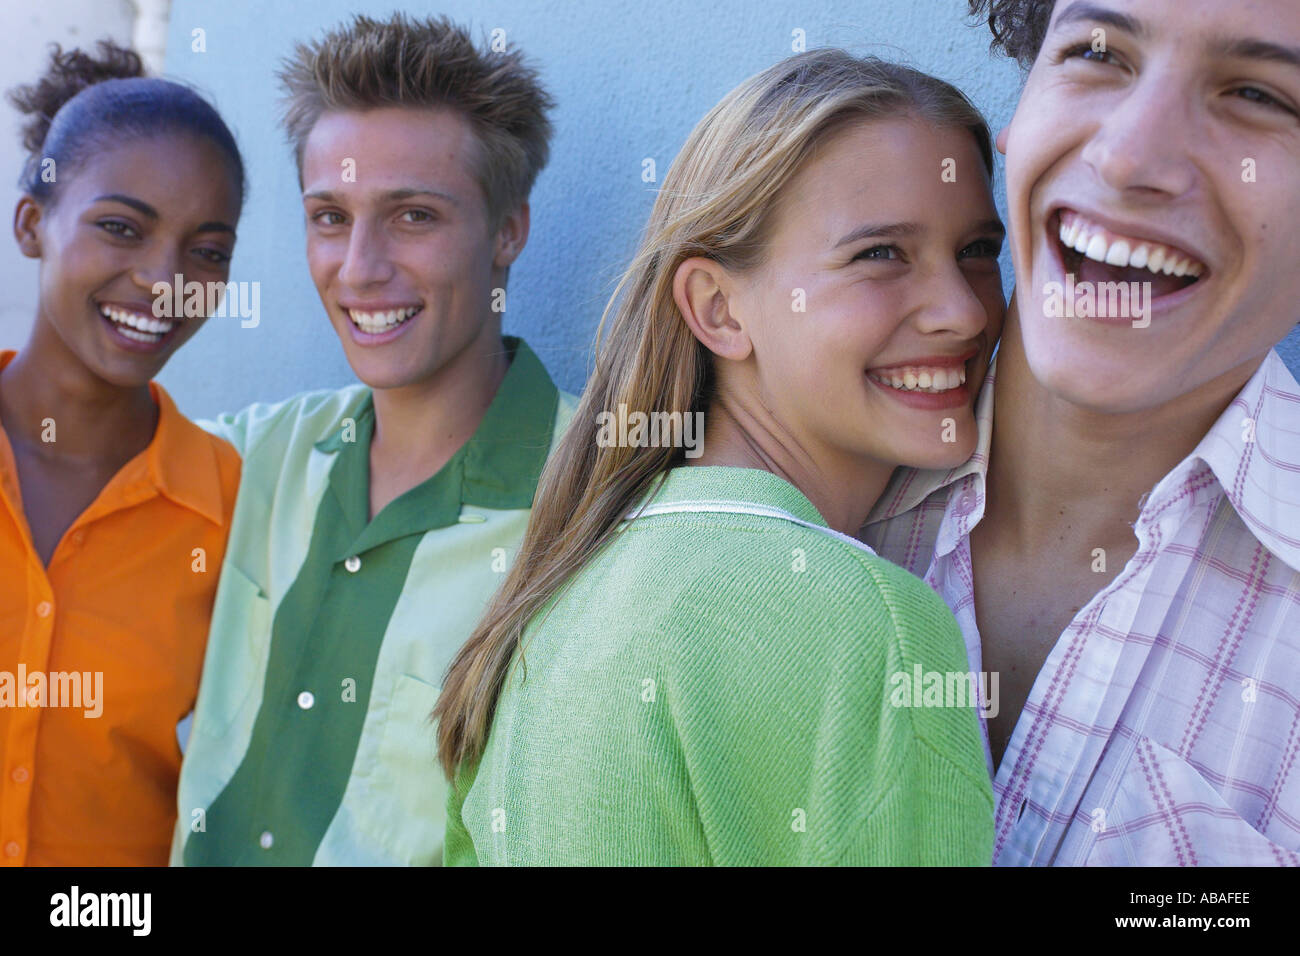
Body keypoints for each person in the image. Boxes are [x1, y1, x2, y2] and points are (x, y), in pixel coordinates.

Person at [437, 48, 1005, 866]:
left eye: (979, 251)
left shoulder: (551, 603)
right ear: (718, 308)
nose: (961, 310)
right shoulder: (865, 620)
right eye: (880, 254)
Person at [863, 0, 1300, 865]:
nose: (1129, 155)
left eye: (1257, 93)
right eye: (1096, 53)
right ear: (1020, 113)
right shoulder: (788, 474)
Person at [171, 13, 574, 866]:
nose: (358, 267)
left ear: (508, 230)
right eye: (329, 216)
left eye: (414, 216)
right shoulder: (259, 455)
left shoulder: (598, 502)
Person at [0, 40, 244, 865]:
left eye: (206, 251)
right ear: (32, 222)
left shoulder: (237, 513)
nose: (164, 278)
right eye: (120, 228)